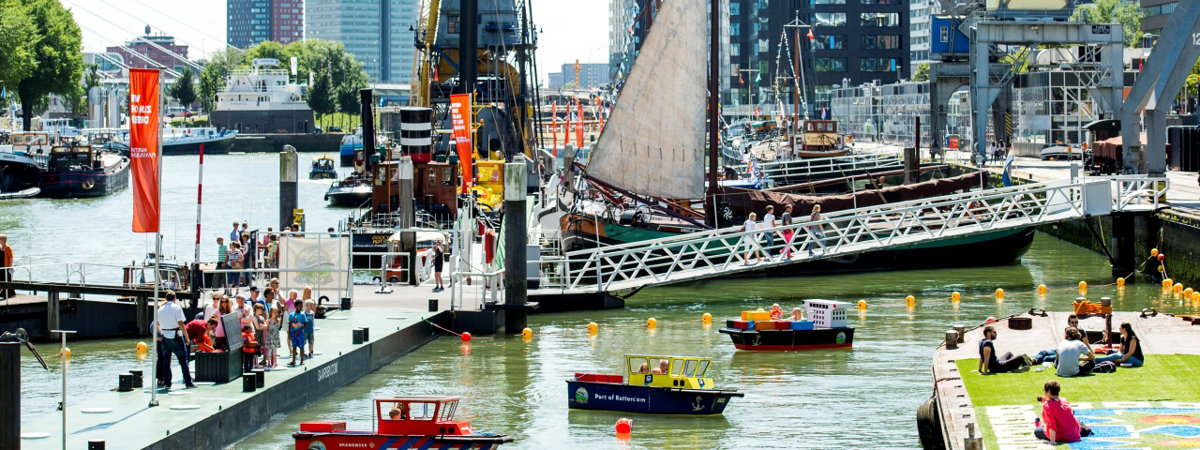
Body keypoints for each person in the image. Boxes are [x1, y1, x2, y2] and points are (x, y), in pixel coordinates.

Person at [156, 291, 195, 389]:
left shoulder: (160, 309)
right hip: (176, 336)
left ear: (166, 299)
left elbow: (156, 324)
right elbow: (181, 323)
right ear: (175, 299)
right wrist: (187, 337)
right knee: (183, 360)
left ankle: (168, 383)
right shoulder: (177, 308)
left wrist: (162, 332)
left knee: (166, 361)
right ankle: (188, 382)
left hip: (165, 337)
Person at [0, 234, 13, 299]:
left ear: (3, 240)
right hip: (1, 266)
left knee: (8, 279)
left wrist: (10, 266)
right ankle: (2, 293)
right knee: (1, 279)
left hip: (6, 266)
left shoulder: (8, 248)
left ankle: (10, 293)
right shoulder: (0, 248)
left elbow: (11, 258)